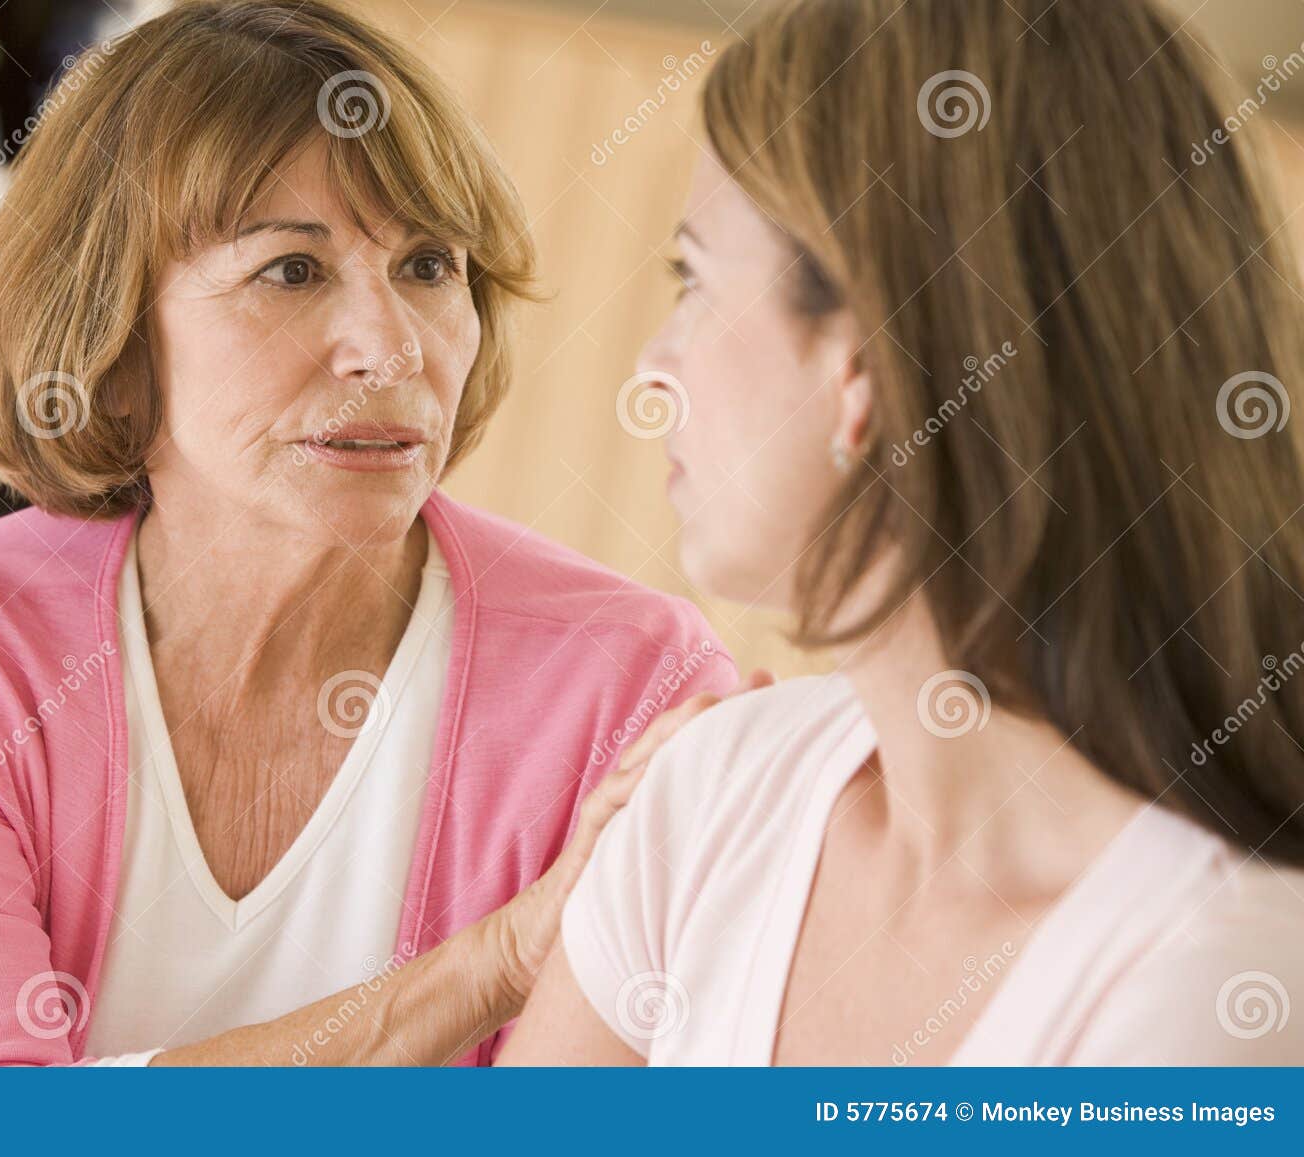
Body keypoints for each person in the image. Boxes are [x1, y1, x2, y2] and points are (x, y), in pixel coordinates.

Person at [0, 0, 744, 1066]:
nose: (390, 349)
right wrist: (497, 961)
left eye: (428, 266)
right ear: (114, 336)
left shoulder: (636, 683)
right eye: (291, 270)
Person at [501, 0, 1304, 1065]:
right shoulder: (706, 796)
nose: (654, 363)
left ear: (864, 368)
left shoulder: (1220, 981)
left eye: (693, 279)